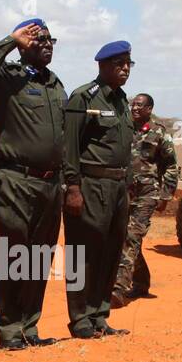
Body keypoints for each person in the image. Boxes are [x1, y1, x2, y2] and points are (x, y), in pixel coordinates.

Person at [0, 19, 66, 349]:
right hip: (15, 181)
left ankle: (30, 328)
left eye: (52, 40)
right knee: (13, 256)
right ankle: (9, 329)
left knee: (40, 258)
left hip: (50, 185)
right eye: (39, 40)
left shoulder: (55, 84)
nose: (48, 45)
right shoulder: (8, 78)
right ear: (24, 45)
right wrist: (11, 40)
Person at [63, 40, 136, 337]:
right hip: (91, 184)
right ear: (102, 66)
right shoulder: (84, 98)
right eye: (119, 64)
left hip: (118, 187)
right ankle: (80, 318)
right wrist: (73, 187)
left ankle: (99, 315)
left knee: (110, 251)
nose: (125, 69)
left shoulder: (122, 100)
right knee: (83, 253)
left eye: (129, 64)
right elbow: (69, 146)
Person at [112, 92, 176, 307]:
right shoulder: (124, 128)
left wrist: (166, 195)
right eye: (133, 104)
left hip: (147, 194)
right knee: (124, 237)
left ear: (149, 109)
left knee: (131, 236)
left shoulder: (159, 132)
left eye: (140, 105)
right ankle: (142, 281)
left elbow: (171, 165)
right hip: (123, 192)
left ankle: (118, 289)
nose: (135, 108)